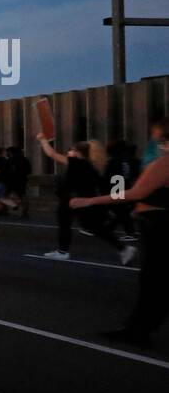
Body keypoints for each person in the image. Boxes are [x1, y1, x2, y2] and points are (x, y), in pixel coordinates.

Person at [69, 118, 169, 346]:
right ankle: (139, 327)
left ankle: (138, 330)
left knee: (154, 281)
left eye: (159, 140)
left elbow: (135, 193)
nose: (157, 145)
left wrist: (90, 201)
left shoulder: (164, 163)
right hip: (157, 219)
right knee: (158, 281)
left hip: (158, 224)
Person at [37, 135, 122, 262]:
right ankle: (122, 248)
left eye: (71, 150)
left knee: (68, 224)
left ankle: (63, 251)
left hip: (72, 200)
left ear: (78, 153)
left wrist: (43, 139)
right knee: (92, 226)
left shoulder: (76, 163)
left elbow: (52, 154)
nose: (69, 152)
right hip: (84, 200)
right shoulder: (93, 165)